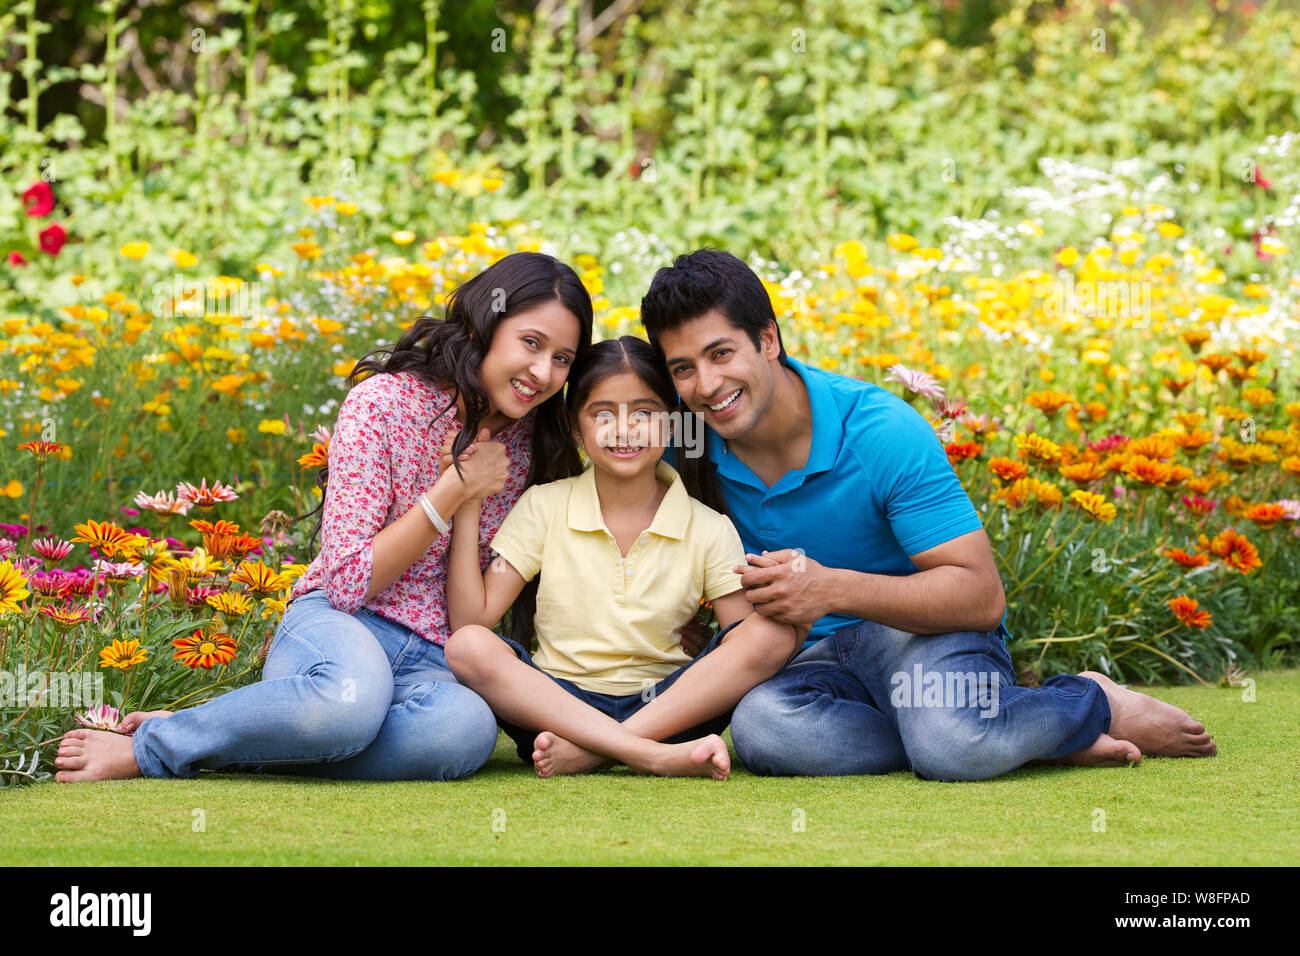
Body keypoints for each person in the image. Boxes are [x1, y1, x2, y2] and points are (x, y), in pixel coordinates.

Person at [642, 248, 1217, 780]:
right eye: (683, 368)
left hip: (923, 639)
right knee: (764, 732)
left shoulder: (880, 432)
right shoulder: (687, 443)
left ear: (768, 338)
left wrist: (828, 590)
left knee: (951, 746)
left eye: (721, 353)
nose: (707, 385)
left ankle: (1091, 700)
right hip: (812, 664)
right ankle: (998, 730)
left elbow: (980, 597)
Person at [54, 251, 594, 783]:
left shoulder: (533, 448)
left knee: (462, 732)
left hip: (431, 661)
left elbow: (475, 614)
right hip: (339, 629)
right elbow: (348, 581)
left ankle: (254, 740)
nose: (542, 372)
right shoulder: (383, 404)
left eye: (563, 359)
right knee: (346, 703)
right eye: (531, 343)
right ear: (484, 325)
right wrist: (453, 488)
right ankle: (159, 745)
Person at [441, 336, 800, 780]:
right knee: (467, 646)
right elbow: (471, 619)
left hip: (669, 708)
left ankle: (597, 751)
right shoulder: (544, 506)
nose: (624, 429)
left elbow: (742, 641)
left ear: (671, 425)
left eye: (644, 413)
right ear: (576, 428)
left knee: (770, 633)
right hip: (556, 708)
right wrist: (467, 498)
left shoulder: (708, 527)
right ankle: (645, 755)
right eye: (603, 414)